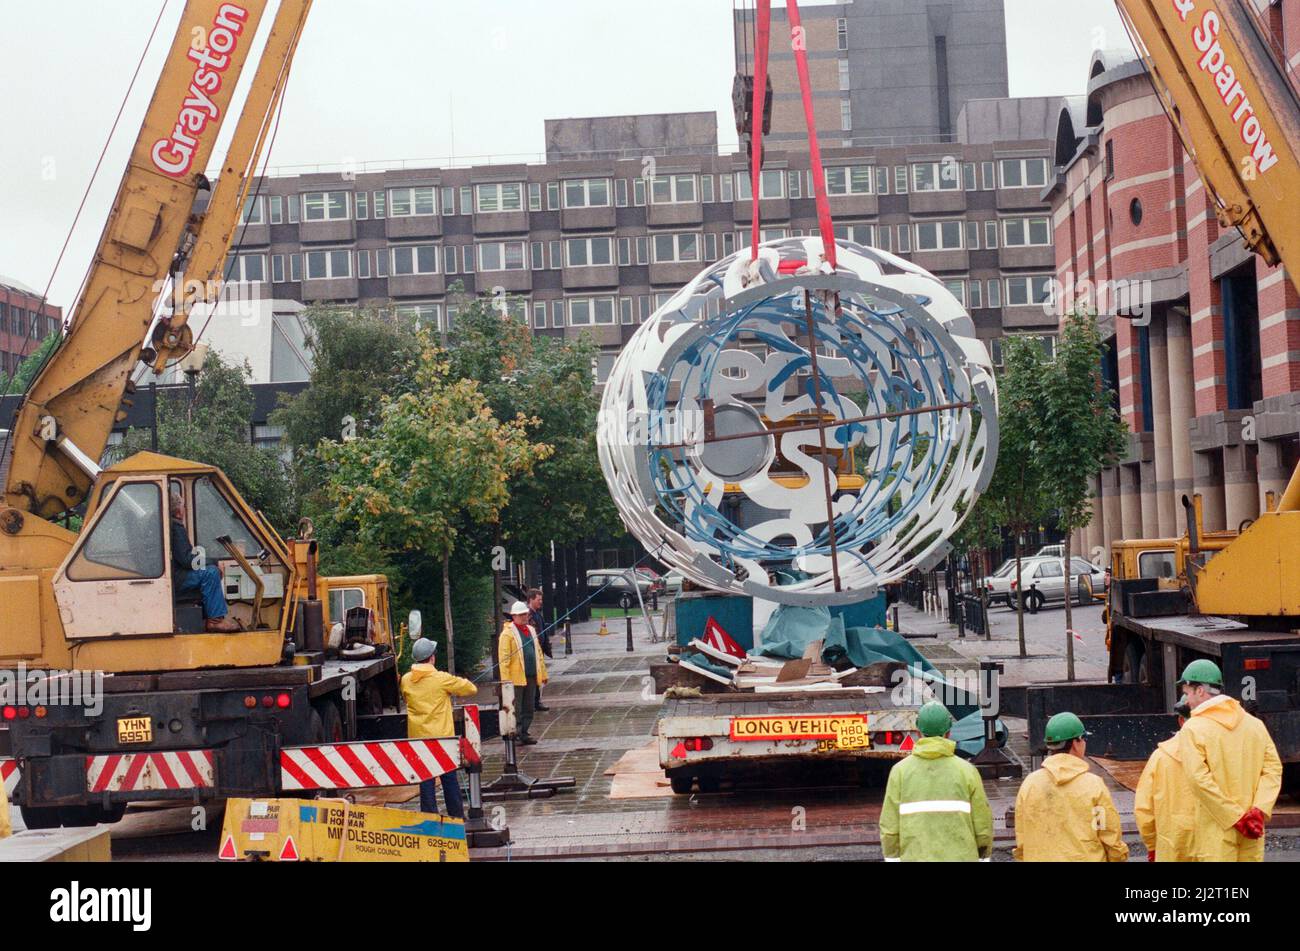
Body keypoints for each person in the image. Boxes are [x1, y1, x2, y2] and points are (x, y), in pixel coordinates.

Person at [1176, 659, 1282, 862]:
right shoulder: (1255, 725)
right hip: (1252, 829)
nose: (1186, 700)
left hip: (1216, 830)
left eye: (1188, 692)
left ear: (1200, 691)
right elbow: (1273, 770)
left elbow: (1198, 780)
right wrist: (1258, 810)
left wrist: (1234, 818)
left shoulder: (1194, 728)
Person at [879, 702, 993, 862]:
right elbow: (983, 825)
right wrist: (984, 856)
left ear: (918, 732)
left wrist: (892, 858)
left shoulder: (900, 772)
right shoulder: (967, 771)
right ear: (948, 732)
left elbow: (890, 826)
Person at [1013, 711, 1127, 862]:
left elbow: (1022, 838)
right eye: (1084, 738)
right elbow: (1110, 835)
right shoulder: (1093, 785)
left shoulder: (1030, 784)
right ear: (1076, 743)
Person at [400, 638, 476, 819]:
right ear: (432, 658)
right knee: (449, 779)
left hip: (419, 738)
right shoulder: (442, 679)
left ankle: (429, 818)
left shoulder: (406, 680)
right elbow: (470, 689)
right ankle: (456, 817)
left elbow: (405, 697)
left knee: (426, 780)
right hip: (442, 739)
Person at [1134, 697, 1196, 862]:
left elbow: (1144, 809)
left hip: (1171, 850)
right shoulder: (1223, 754)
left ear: (1181, 720)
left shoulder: (1160, 758)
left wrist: (1153, 846)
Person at [170, 490, 240, 633]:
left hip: (175, 575)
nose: (184, 510)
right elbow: (187, 560)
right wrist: (213, 562)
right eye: (183, 507)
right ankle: (215, 620)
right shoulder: (175, 526)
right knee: (211, 573)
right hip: (177, 578)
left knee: (208, 570)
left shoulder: (167, 524)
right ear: (178, 510)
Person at [499, 601, 547, 745]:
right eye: (520, 615)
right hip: (515, 678)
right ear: (513, 616)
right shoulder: (507, 634)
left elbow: (538, 653)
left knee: (529, 706)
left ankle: (524, 732)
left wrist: (543, 674)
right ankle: (517, 733)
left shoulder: (531, 630)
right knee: (517, 708)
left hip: (532, 675)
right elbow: (504, 659)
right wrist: (506, 681)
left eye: (525, 614)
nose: (524, 617)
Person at [528, 588, 551, 712]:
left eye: (541, 599)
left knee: (540, 676)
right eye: (538, 599)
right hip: (533, 651)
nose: (541, 602)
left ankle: (537, 701)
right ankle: (535, 702)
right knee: (535, 676)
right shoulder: (528, 615)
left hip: (540, 650)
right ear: (531, 599)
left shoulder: (537, 613)